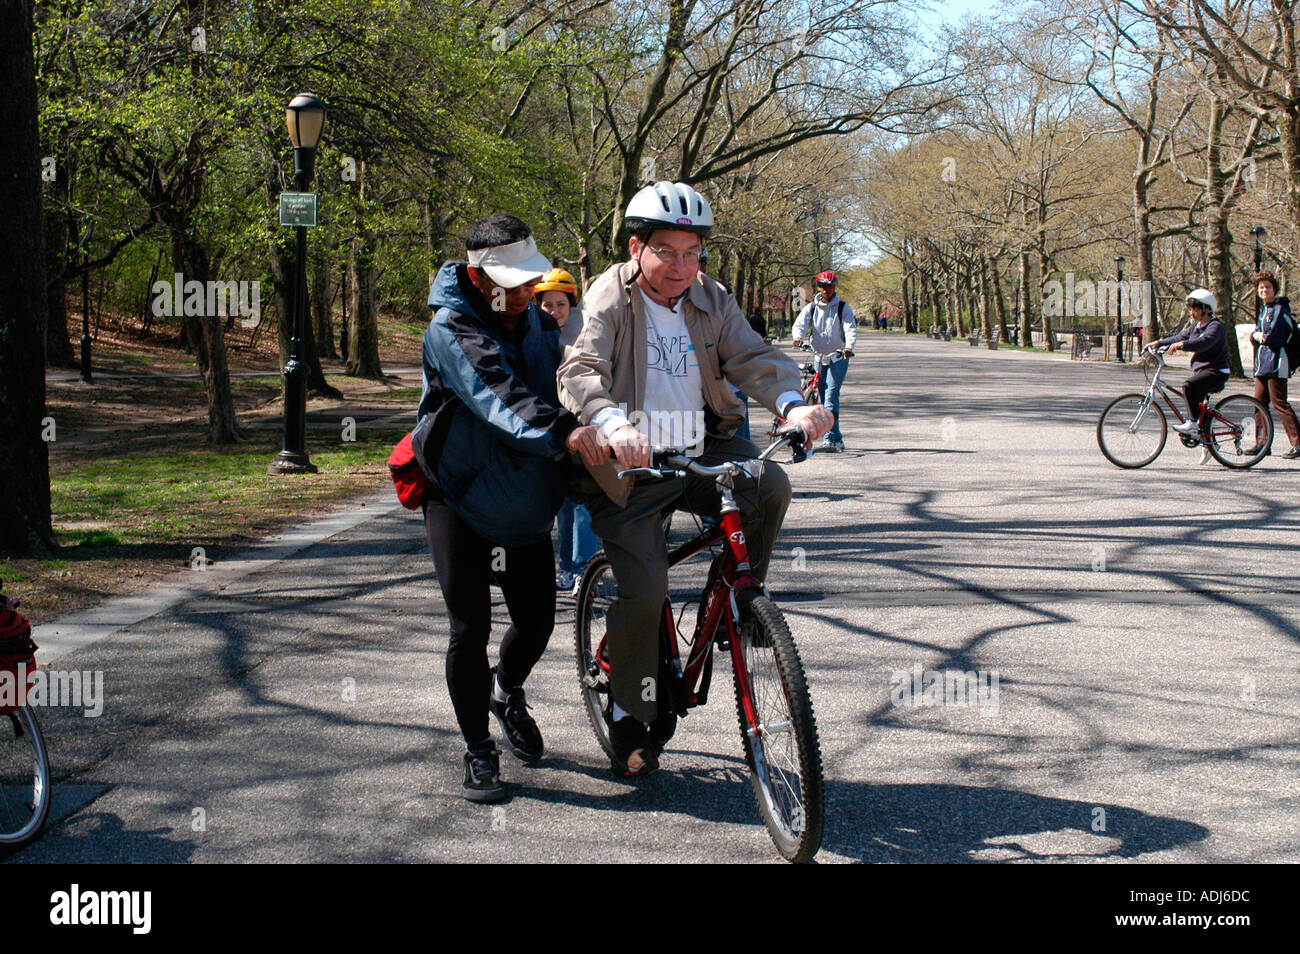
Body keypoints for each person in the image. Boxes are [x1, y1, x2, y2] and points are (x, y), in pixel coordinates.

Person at [557, 181, 832, 776]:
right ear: (637, 249)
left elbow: (752, 357)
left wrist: (792, 404)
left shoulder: (711, 296)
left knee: (768, 484)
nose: (681, 266)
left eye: (691, 253)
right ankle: (633, 712)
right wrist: (608, 420)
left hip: (704, 448)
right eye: (666, 252)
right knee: (646, 587)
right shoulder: (609, 295)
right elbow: (579, 367)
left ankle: (739, 596)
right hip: (632, 466)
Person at [414, 214, 603, 802]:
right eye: (512, 283)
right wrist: (567, 434)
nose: (525, 294)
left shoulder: (540, 324)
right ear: (476, 274)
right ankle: (478, 751)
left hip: (522, 498)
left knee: (539, 623)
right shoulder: (450, 329)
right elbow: (499, 397)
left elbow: (579, 374)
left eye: (531, 282)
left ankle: (505, 690)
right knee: (468, 628)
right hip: (459, 497)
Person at [535, 267, 603, 589]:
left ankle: (583, 569)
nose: (555, 311)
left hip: (584, 428)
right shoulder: (533, 338)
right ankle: (567, 564)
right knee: (564, 504)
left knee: (584, 507)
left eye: (561, 304)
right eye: (548, 305)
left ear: (571, 305)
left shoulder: (585, 335)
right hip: (552, 432)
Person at [1152, 288, 1230, 446]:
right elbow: (1180, 336)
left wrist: (1182, 345)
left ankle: (1192, 424)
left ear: (1206, 309)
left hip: (1217, 371)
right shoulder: (1196, 325)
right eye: (1191, 309)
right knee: (1201, 410)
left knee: (1188, 386)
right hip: (1202, 371)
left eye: (1195, 309)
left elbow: (1204, 343)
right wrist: (1159, 343)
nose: (1192, 312)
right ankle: (1208, 444)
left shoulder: (1216, 327)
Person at [792, 270, 857, 452]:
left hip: (838, 357)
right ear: (818, 287)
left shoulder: (843, 308)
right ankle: (836, 438)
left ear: (834, 287)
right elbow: (800, 324)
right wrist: (798, 337)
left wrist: (848, 347)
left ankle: (829, 438)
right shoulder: (812, 307)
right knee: (821, 396)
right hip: (818, 356)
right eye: (823, 286)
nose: (826, 289)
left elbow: (850, 328)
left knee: (830, 396)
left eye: (829, 286)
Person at [1250, 271, 1300, 458]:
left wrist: (1260, 337)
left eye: (1267, 287)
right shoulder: (1265, 310)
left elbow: (1277, 337)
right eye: (1261, 287)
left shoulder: (1280, 309)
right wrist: (1257, 336)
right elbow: (1256, 335)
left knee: (1280, 404)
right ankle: (1262, 444)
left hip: (1278, 363)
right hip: (1262, 364)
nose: (1264, 290)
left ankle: (1297, 443)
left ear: (1274, 289)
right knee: (1258, 404)